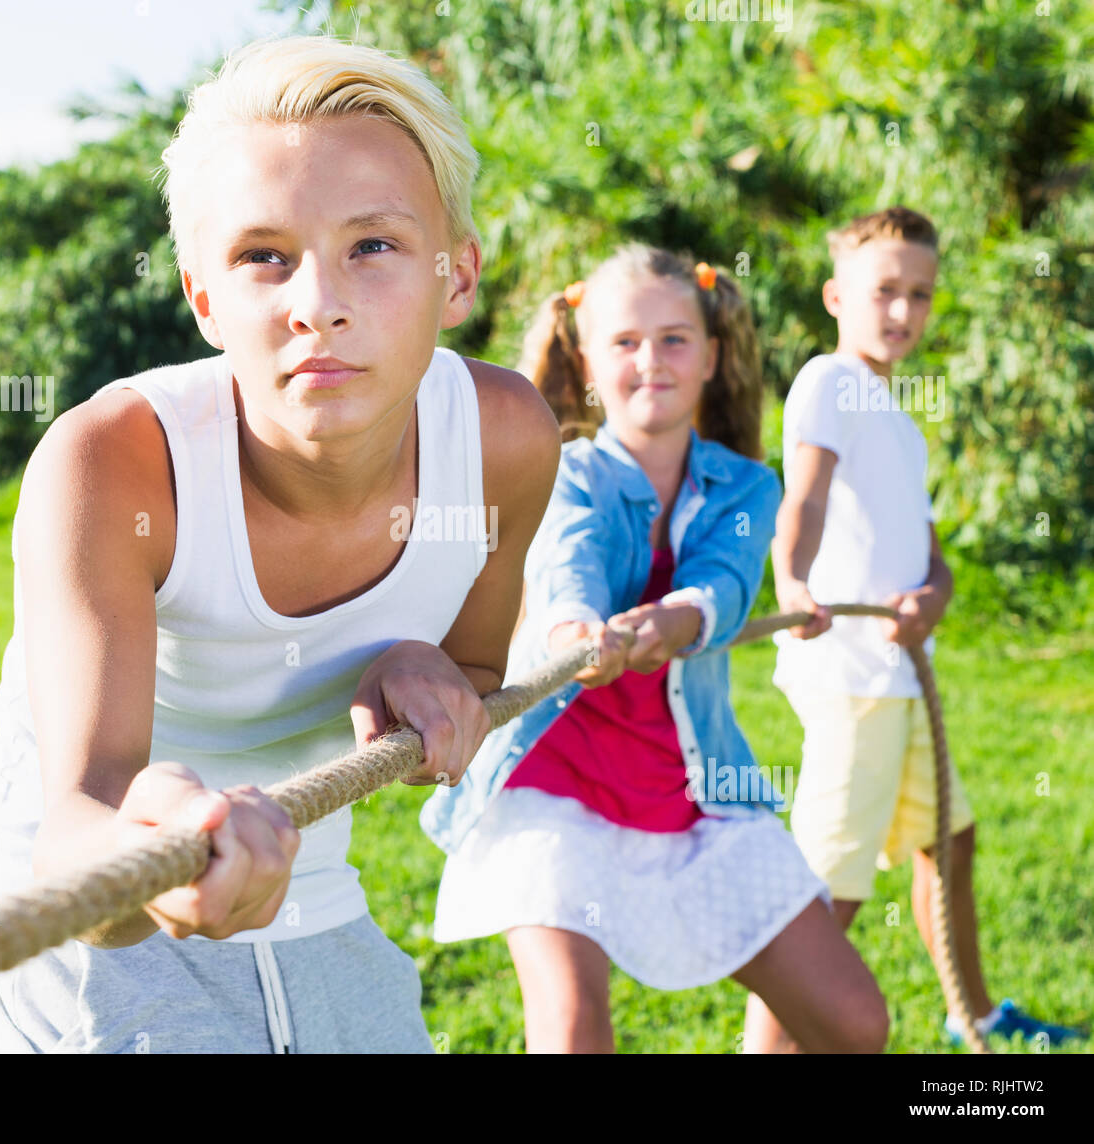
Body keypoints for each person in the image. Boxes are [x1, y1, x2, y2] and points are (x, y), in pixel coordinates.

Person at [0, 33, 561, 1054]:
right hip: (88, 888)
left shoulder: (503, 440)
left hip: (306, 856)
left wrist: (422, 661)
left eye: (372, 246)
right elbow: (81, 823)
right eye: (261, 256)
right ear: (203, 297)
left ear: (455, 277)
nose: (315, 304)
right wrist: (152, 845)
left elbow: (471, 669)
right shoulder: (113, 463)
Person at [420, 244, 889, 1054]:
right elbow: (571, 557)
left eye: (675, 339)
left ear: (711, 356)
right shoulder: (567, 472)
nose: (651, 360)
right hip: (554, 785)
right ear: (587, 359)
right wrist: (575, 628)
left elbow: (727, 581)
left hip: (696, 787)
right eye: (626, 343)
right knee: (571, 1031)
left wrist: (677, 620)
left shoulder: (746, 486)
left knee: (854, 1020)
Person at [750, 205, 1085, 1050]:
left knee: (951, 843)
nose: (904, 311)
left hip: (901, 678)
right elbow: (806, 499)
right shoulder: (828, 383)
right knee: (829, 893)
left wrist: (934, 594)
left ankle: (976, 1016)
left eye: (921, 295)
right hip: (855, 685)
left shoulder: (897, 416)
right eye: (885, 291)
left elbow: (927, 549)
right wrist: (793, 581)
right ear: (836, 295)